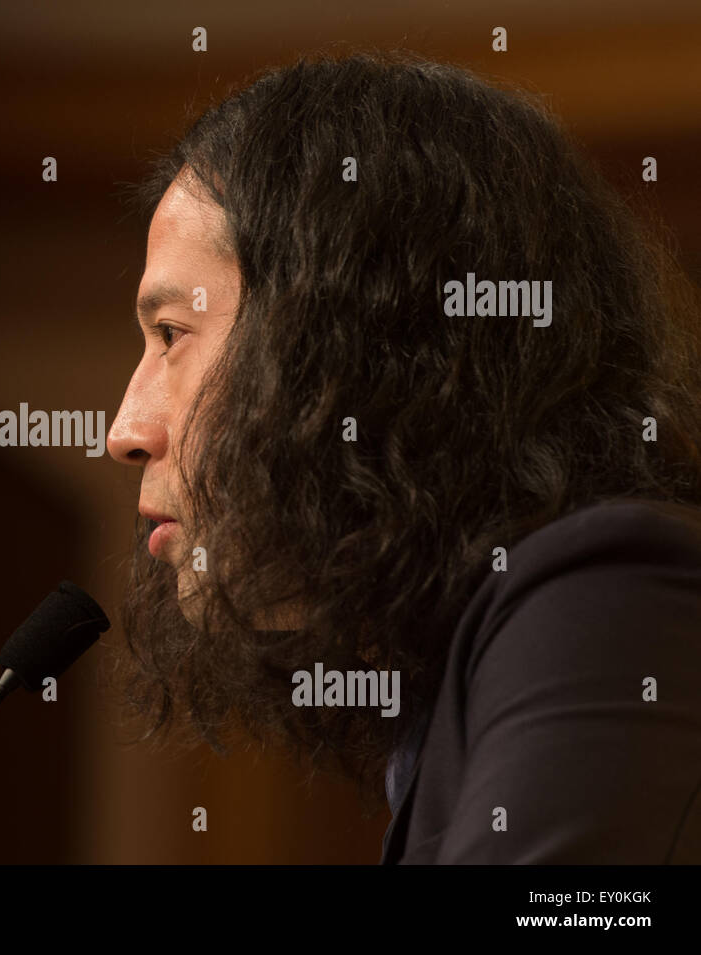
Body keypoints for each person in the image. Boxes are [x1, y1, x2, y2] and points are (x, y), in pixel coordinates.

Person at [105, 50, 701, 863]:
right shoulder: (456, 666)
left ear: (346, 343)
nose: (124, 428)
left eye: (171, 334)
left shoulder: (607, 588)